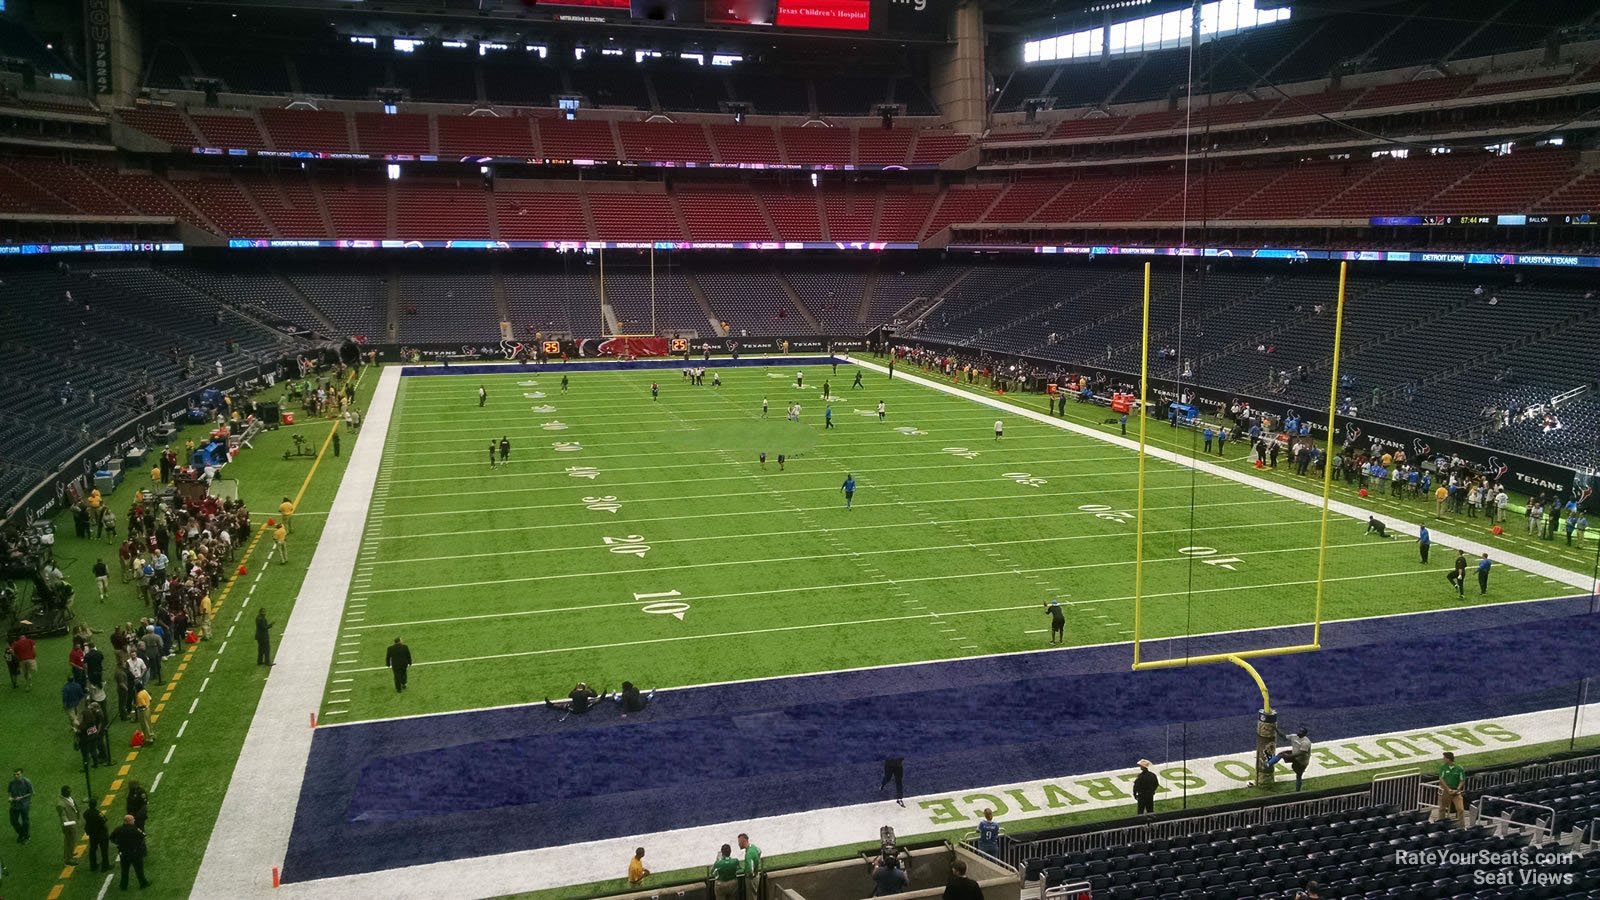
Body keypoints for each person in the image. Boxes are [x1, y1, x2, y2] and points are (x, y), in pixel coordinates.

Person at [111, 813, 151, 889]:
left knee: (124, 871)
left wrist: (118, 843)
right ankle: (143, 884)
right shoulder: (135, 829)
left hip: (124, 854)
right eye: (133, 819)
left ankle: (123, 886)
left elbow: (112, 838)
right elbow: (143, 836)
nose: (134, 820)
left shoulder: (118, 829)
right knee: (139, 870)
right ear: (129, 821)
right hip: (135, 853)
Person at [1435, 751, 1466, 827]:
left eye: (1444, 758)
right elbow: (1441, 779)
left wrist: (1457, 790)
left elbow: (1462, 780)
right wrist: (1448, 789)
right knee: (1442, 809)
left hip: (1456, 792)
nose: (1443, 759)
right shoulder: (1443, 767)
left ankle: (1462, 826)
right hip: (1445, 791)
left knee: (1460, 809)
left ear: (1448, 759)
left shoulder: (1459, 768)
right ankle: (1441, 825)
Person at [57, 785, 80, 866]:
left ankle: (69, 853)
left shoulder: (68, 797)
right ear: (64, 793)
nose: (70, 793)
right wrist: (70, 825)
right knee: (70, 841)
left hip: (72, 821)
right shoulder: (61, 804)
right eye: (68, 792)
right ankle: (68, 859)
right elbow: (63, 816)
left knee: (69, 841)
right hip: (69, 825)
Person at [84, 801, 111, 871]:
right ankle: (105, 866)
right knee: (104, 850)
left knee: (92, 850)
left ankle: (93, 866)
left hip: (92, 834)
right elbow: (104, 822)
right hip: (101, 834)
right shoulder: (98, 813)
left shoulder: (86, 813)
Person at [9, 767, 33, 843]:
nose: (16, 776)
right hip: (14, 805)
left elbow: (31, 793)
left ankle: (25, 837)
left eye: (18, 774)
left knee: (25, 821)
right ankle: (23, 834)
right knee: (13, 821)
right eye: (15, 774)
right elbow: (9, 791)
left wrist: (21, 797)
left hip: (24, 805)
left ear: (21, 774)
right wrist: (10, 797)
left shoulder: (27, 782)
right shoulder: (11, 782)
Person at [738, 833, 762, 900]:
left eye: (739, 842)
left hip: (751, 879)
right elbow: (759, 851)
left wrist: (749, 874)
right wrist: (756, 862)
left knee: (751, 897)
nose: (738, 844)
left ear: (744, 841)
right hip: (757, 876)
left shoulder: (749, 854)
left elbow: (750, 870)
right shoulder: (753, 847)